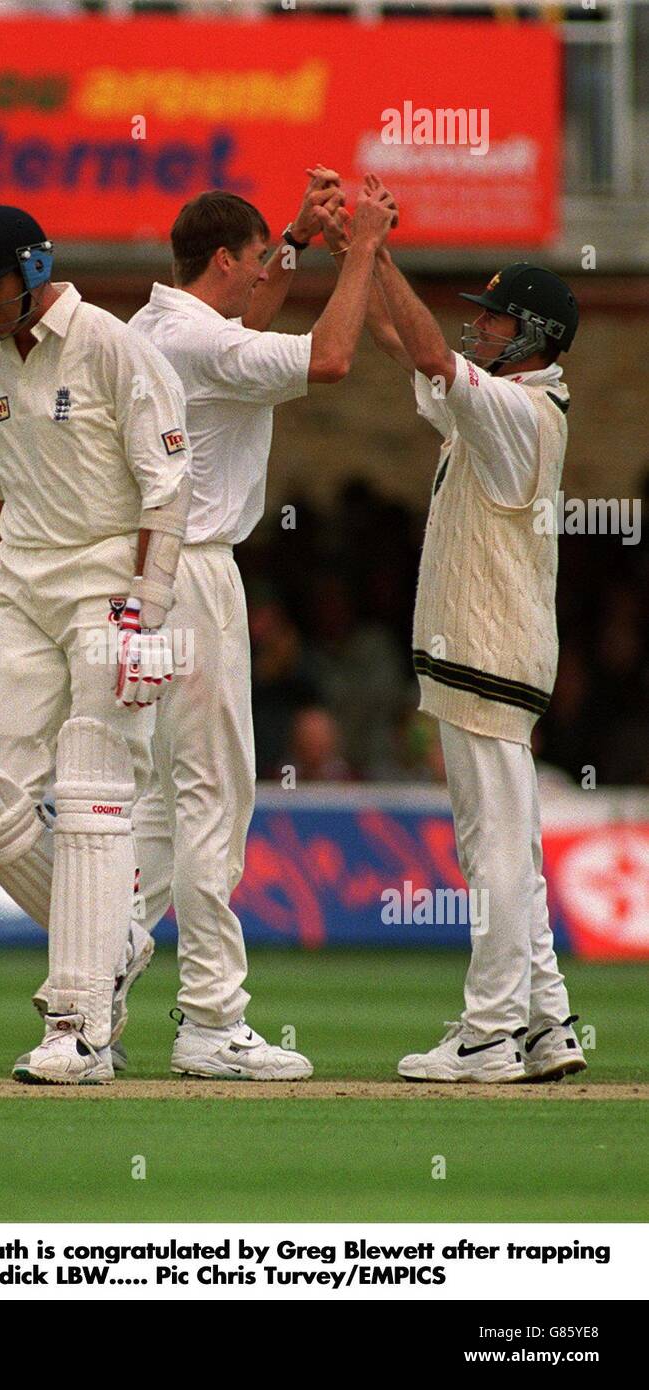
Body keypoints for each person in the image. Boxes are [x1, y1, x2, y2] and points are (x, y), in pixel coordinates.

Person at [125, 174, 395, 1079]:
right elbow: (328, 359)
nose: (264, 276)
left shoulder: (153, 325)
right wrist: (359, 251)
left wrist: (295, 237)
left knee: (161, 804)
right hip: (194, 572)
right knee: (214, 795)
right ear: (222, 261)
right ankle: (209, 1020)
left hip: (145, 575)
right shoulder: (202, 342)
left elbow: (249, 316)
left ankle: (96, 995)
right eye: (256, 263)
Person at [322, 176, 585, 1083]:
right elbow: (408, 343)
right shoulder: (498, 405)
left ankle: (488, 1035)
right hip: (482, 653)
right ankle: (547, 1025)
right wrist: (367, 254)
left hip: (491, 652)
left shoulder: (517, 413)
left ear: (537, 338)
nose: (484, 329)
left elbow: (432, 355)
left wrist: (369, 250)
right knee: (508, 842)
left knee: (496, 846)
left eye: (501, 322)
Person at [0, 205, 192, 1085]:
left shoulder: (112, 345)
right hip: (22, 592)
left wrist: (144, 609)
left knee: (90, 791)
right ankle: (112, 937)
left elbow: (168, 484)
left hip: (107, 583)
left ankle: (77, 1025)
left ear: (36, 269)